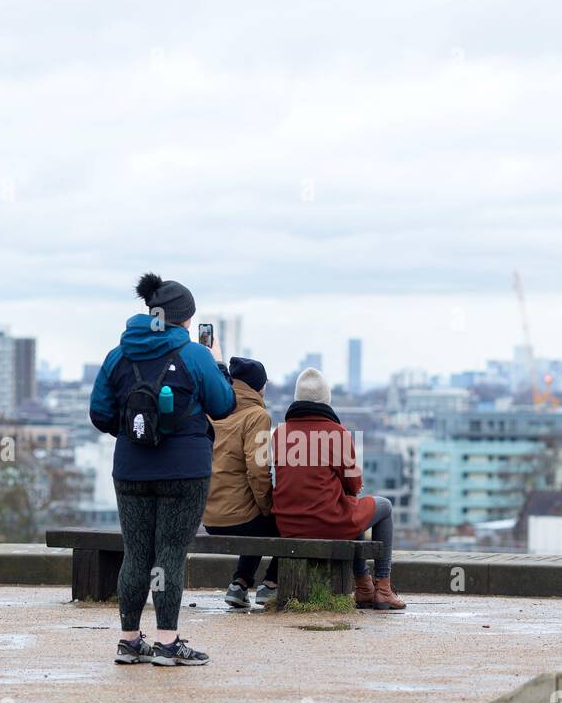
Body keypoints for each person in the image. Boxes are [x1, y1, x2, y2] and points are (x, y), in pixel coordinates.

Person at [90, 274, 235, 666]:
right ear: (184, 320)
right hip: (185, 471)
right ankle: (168, 643)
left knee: (136, 552)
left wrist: (134, 433)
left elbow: (99, 413)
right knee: (169, 553)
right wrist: (218, 362)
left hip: (131, 470)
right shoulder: (195, 356)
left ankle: (129, 640)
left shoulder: (118, 355)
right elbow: (223, 406)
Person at [271, 367, 406, 611]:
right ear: (326, 399)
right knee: (382, 506)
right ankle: (382, 588)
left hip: (289, 525)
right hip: (326, 521)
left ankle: (364, 586)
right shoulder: (338, 434)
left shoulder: (279, 434)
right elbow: (354, 486)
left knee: (348, 507)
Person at [203, 356, 279, 608]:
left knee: (255, 519)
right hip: (239, 519)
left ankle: (240, 584)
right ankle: (270, 585)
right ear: (258, 387)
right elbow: (257, 471)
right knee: (286, 523)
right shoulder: (257, 416)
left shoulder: (211, 411)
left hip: (210, 517)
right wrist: (269, 506)